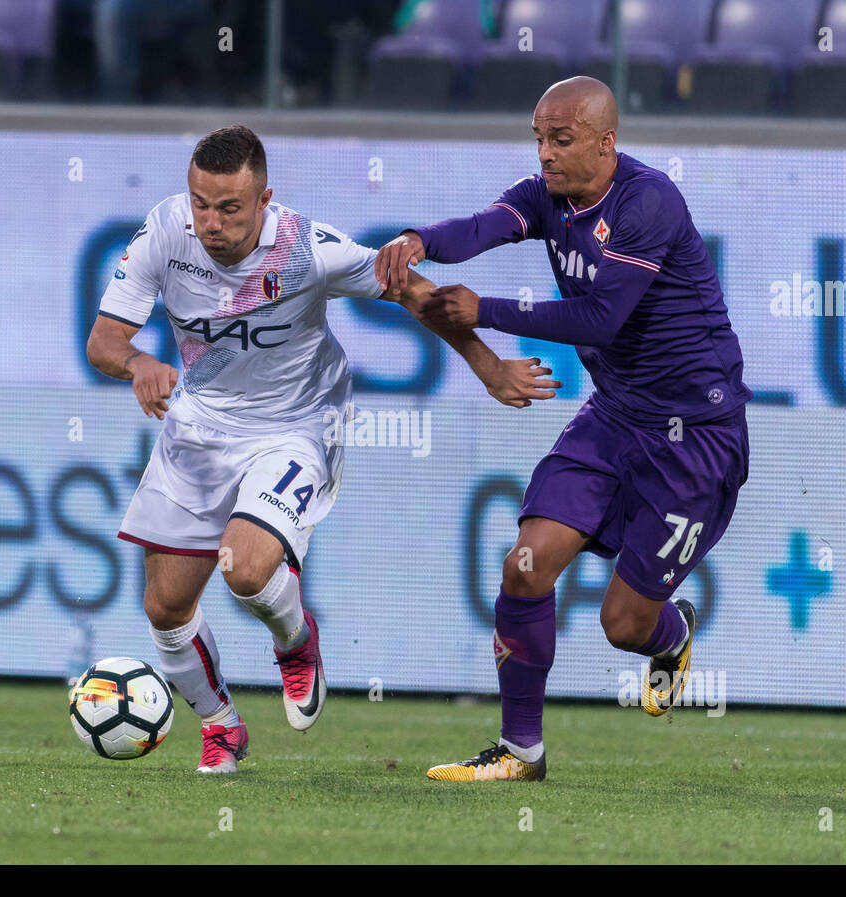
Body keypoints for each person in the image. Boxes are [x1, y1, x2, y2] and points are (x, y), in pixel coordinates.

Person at [88, 125, 558, 773]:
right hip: (201, 424)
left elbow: (416, 292)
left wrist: (485, 365)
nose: (212, 222)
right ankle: (222, 724)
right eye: (201, 203)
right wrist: (138, 363)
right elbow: (104, 341)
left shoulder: (307, 249)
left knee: (246, 568)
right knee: (165, 606)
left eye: (230, 208)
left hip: (297, 422)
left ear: (264, 200)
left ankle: (296, 639)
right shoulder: (164, 234)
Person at [376, 76, 752, 781]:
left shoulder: (649, 202)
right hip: (615, 415)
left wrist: (481, 310)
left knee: (624, 624)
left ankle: (672, 634)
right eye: (539, 137)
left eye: (562, 138)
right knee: (526, 565)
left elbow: (600, 318)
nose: (545, 154)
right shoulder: (544, 196)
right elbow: (479, 229)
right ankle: (520, 751)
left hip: (696, 433)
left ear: (607, 143)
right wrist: (418, 238)